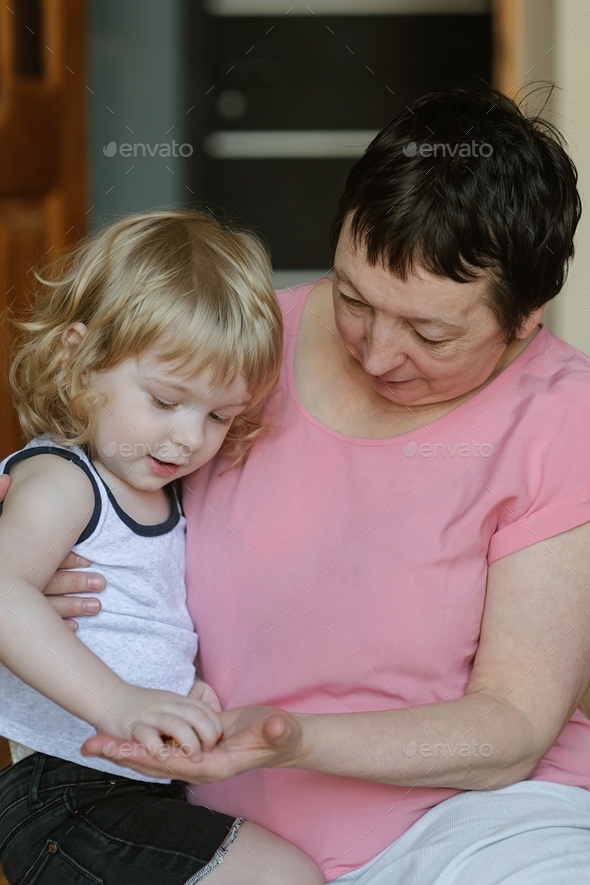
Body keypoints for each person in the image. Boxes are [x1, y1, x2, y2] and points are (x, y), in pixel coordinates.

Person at [16, 86, 590, 884]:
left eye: (430, 333)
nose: (379, 353)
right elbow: (81, 466)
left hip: (476, 823)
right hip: (227, 836)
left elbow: (515, 725)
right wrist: (37, 576)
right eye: (355, 299)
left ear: (524, 319)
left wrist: (296, 737)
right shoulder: (234, 351)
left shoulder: (564, 416)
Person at [0, 211, 323, 885]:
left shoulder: (165, 494)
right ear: (78, 359)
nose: (187, 438)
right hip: (67, 794)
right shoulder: (64, 478)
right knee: (281, 876)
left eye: (217, 416)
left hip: (134, 788)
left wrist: (180, 691)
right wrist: (120, 700)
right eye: (165, 400)